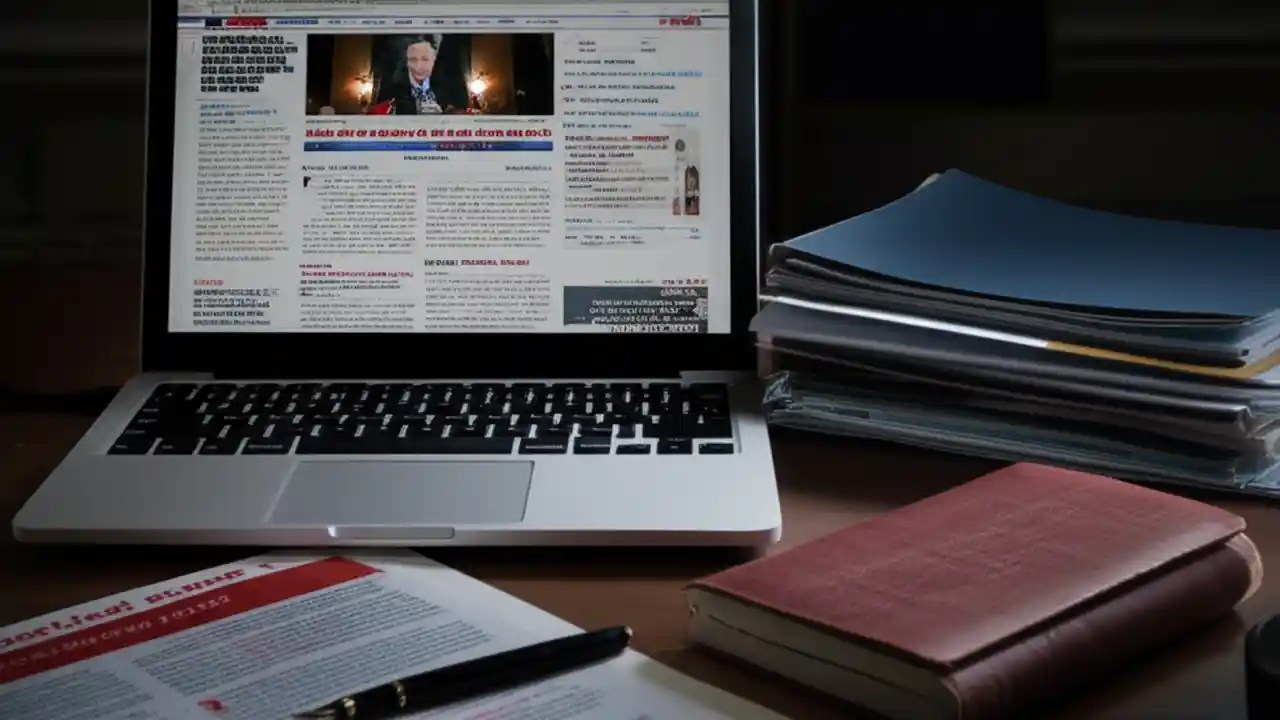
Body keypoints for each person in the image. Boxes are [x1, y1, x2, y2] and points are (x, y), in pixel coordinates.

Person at [378, 34, 467, 114]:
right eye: (413, 59)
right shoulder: (394, 43)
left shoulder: (453, 42)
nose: (419, 66)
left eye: (425, 59)